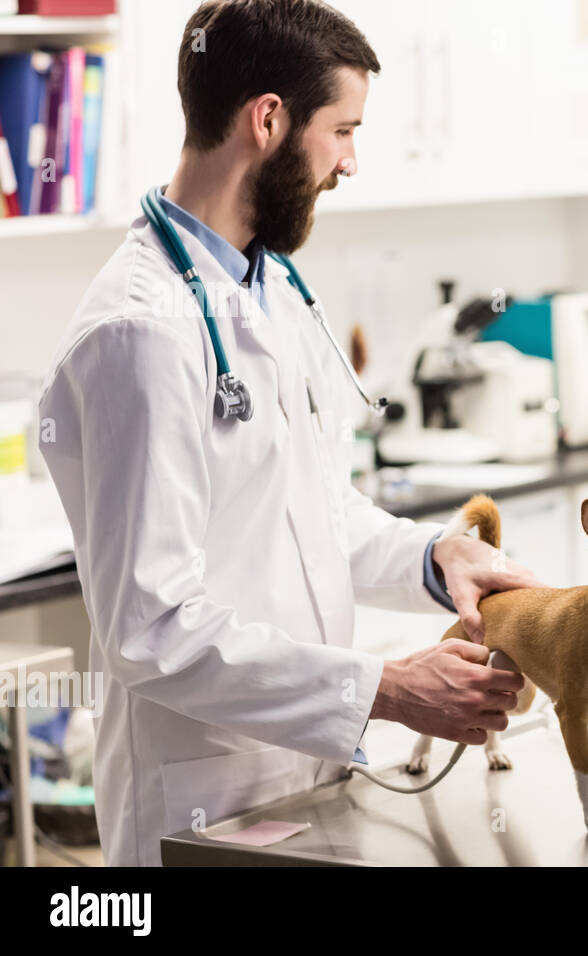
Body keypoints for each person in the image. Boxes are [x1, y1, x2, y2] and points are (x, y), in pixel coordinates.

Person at [36, 0, 536, 867]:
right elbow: (150, 628)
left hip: (303, 786)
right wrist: (384, 688)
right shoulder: (140, 330)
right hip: (199, 801)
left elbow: (309, 517)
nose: (351, 161)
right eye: (342, 130)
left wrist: (433, 558)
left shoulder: (269, 289)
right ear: (268, 119)